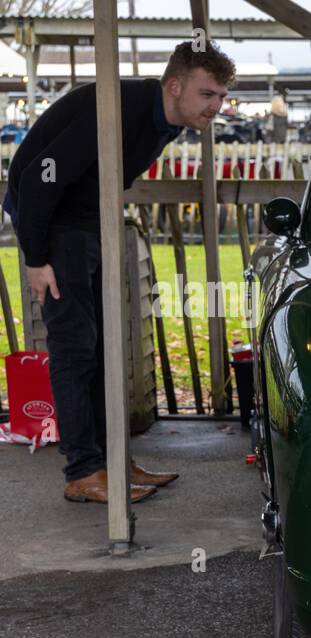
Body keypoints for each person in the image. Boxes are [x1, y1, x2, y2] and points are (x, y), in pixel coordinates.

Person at [2, 40, 237, 504]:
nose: (217, 106)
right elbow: (34, 179)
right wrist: (35, 258)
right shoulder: (115, 109)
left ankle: (111, 461)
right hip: (56, 227)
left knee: (104, 346)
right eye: (208, 94)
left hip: (88, 222)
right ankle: (83, 471)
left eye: (221, 96)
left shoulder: (164, 120)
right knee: (74, 348)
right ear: (174, 86)